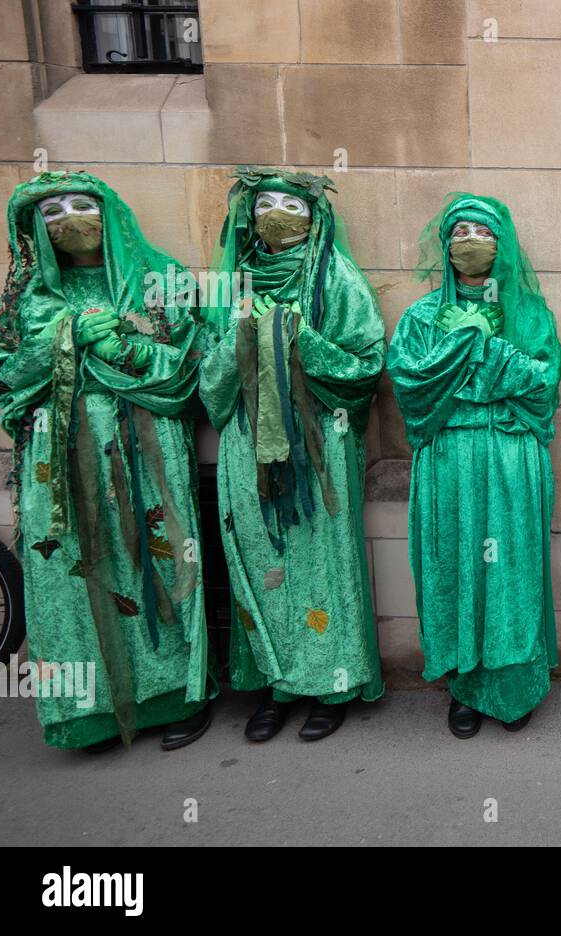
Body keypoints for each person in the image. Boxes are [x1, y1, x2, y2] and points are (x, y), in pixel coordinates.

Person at [0, 170, 211, 751]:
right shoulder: (30, 297)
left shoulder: (157, 277)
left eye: (81, 205)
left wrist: (130, 349)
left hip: (146, 448)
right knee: (73, 566)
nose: (69, 220)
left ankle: (179, 696)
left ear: (108, 210)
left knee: (161, 556)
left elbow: (194, 365)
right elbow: (1, 376)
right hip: (57, 461)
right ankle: (87, 710)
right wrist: (65, 338)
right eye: (53, 212)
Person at [200, 168, 385, 742]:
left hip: (321, 447)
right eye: (265, 203)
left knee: (322, 561)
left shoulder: (339, 281)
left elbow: (365, 369)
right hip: (245, 444)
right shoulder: (228, 285)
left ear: (315, 215)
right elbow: (206, 389)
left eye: (290, 203)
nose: (276, 213)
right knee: (261, 560)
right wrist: (240, 340)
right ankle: (276, 685)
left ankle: (333, 685)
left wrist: (302, 338)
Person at [388, 194, 561, 739]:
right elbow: (411, 390)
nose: (470, 241)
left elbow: (543, 386)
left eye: (482, 232)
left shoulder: (528, 314)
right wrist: (468, 349)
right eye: (460, 230)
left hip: (512, 460)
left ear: (501, 243)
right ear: (445, 244)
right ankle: (464, 686)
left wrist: (481, 350)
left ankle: (514, 687)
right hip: (448, 462)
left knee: (510, 571)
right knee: (457, 568)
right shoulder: (419, 316)